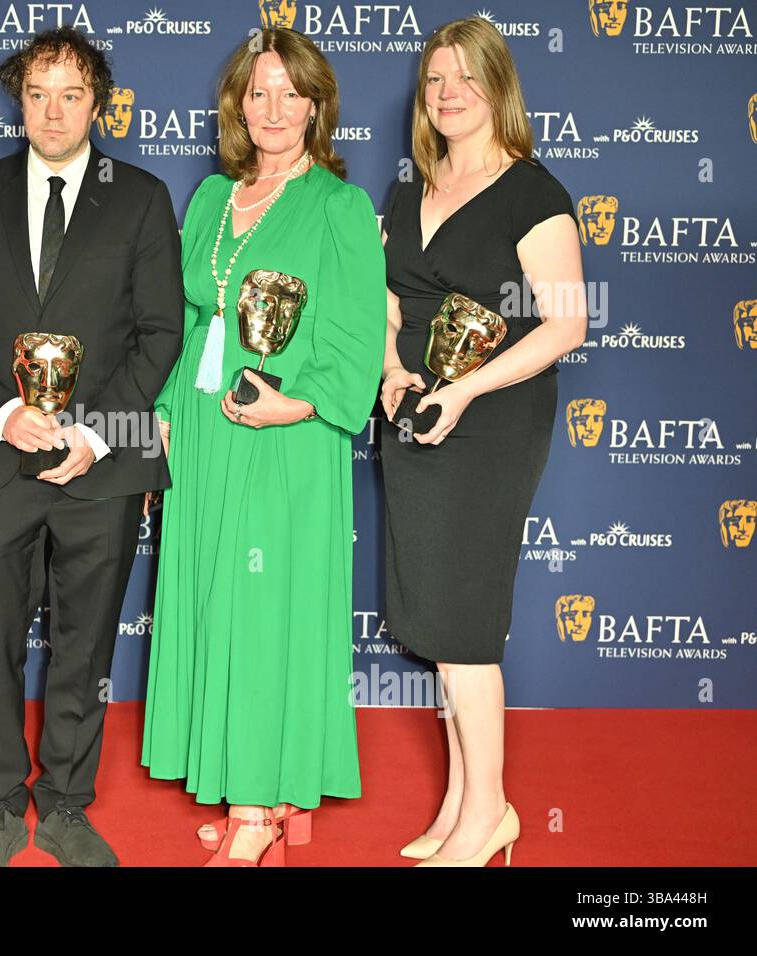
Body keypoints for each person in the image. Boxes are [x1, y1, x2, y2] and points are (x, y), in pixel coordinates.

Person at [0, 26, 183, 867]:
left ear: (97, 102)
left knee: (85, 646)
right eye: (37, 93)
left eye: (71, 94)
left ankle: (67, 804)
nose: (53, 111)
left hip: (99, 466)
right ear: (18, 100)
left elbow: (160, 334)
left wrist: (93, 431)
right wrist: (4, 415)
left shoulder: (142, 197)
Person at [141, 27, 387, 866]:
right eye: (258, 92)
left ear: (317, 106)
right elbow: (184, 323)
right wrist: (167, 417)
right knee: (216, 604)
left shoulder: (340, 207)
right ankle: (255, 786)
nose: (273, 108)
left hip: (284, 435)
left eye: (291, 93)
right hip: (208, 432)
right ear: (237, 104)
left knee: (264, 609)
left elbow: (354, 341)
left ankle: (254, 816)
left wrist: (301, 404)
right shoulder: (211, 198)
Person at [378, 17, 586, 866]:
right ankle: (466, 804)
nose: (448, 92)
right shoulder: (409, 191)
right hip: (414, 414)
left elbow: (566, 323)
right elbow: (389, 305)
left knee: (465, 630)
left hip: (490, 421)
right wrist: (393, 370)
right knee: (439, 626)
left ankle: (490, 811)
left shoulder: (532, 191)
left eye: (465, 77)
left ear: (498, 85)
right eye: (435, 80)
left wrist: (464, 388)